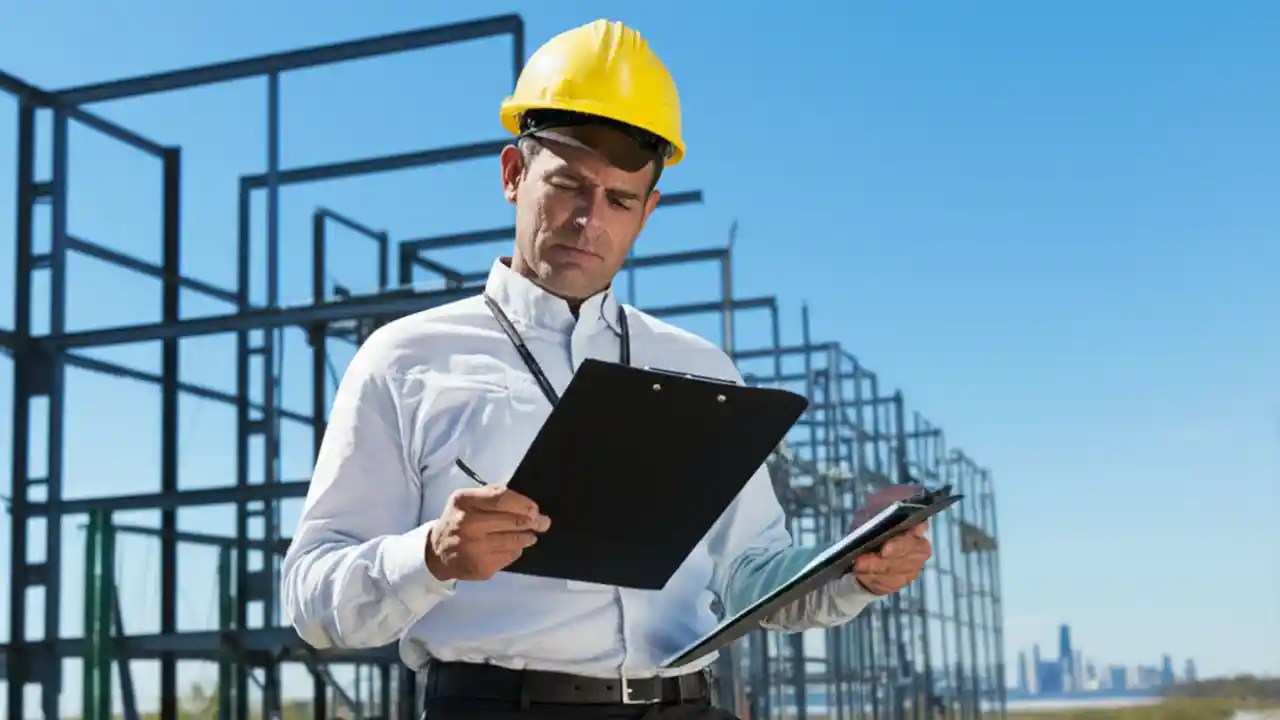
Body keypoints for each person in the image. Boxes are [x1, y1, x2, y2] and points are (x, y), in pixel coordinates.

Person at [281, 18, 933, 720]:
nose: (589, 221)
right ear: (513, 174)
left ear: (648, 212)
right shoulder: (407, 359)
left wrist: (857, 568)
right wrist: (431, 556)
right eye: (567, 186)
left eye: (620, 201)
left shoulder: (698, 370)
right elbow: (313, 602)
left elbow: (751, 579)